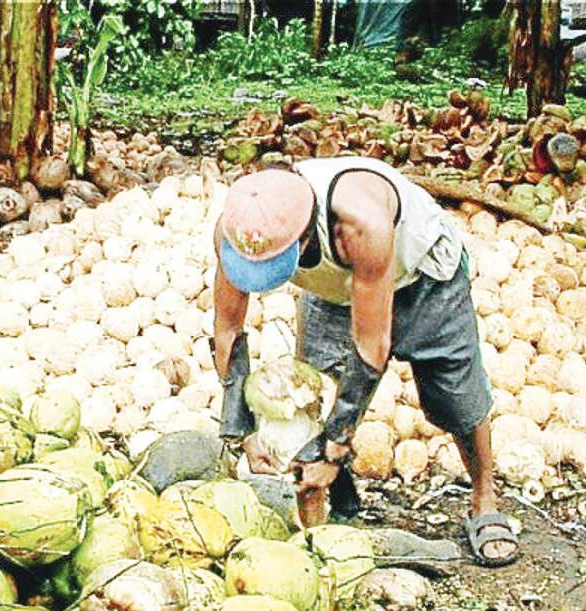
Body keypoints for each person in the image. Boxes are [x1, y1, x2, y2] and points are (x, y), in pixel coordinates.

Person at [212, 156, 519, 567]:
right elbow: (228, 332)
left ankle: (485, 498)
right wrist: (242, 428)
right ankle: (330, 520)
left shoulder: (359, 224)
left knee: (457, 400)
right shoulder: (239, 231)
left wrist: (334, 452)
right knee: (312, 402)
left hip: (424, 276)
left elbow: (372, 346)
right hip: (335, 291)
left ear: (303, 238)